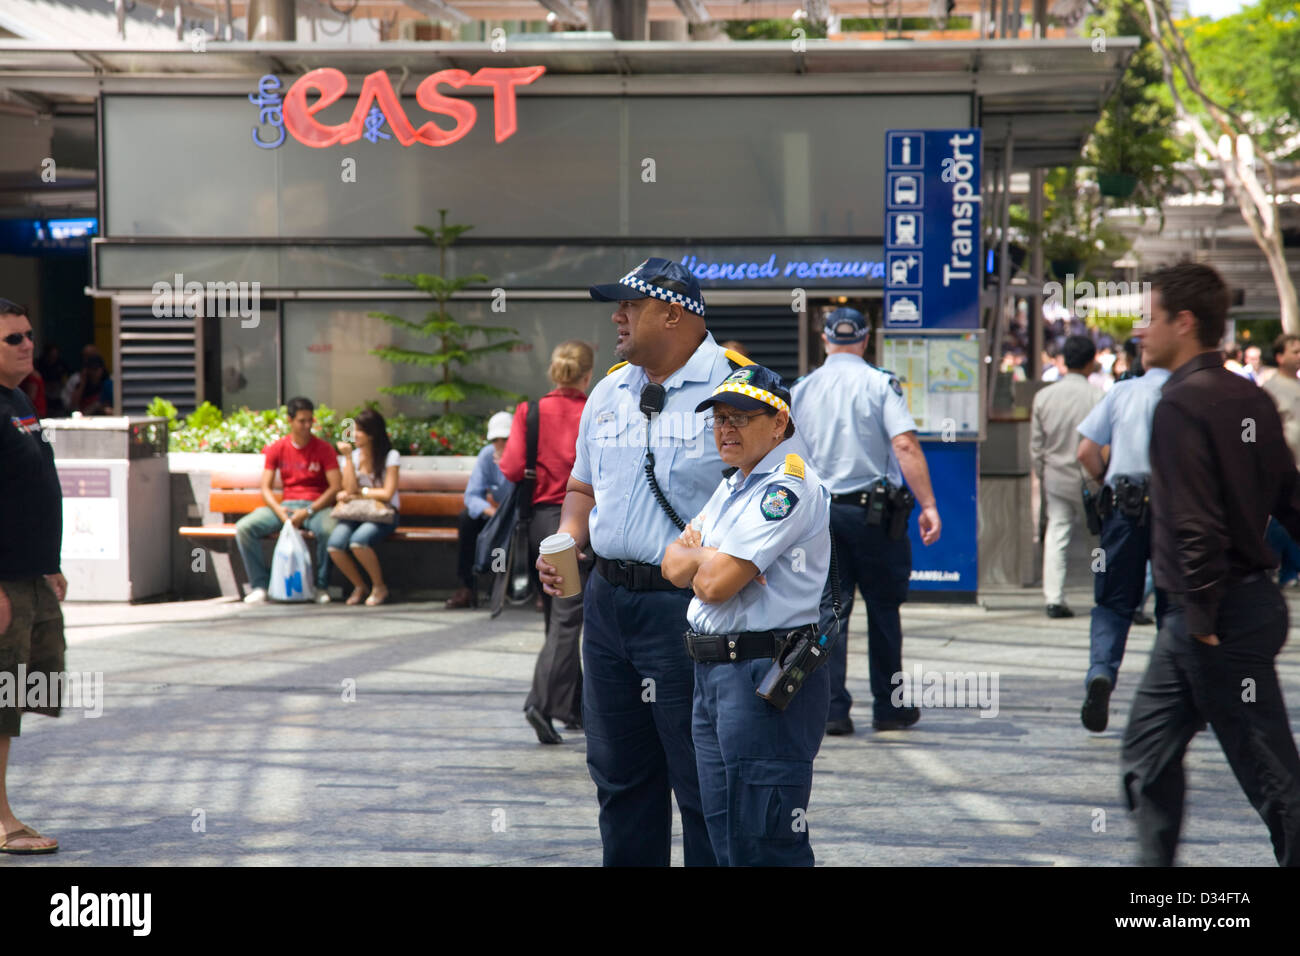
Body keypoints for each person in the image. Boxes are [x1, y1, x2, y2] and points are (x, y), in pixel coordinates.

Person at [536, 257, 751, 867]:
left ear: (673, 313)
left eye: (629, 305)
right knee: (619, 775)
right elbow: (582, 485)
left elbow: (776, 505)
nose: (617, 316)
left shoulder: (741, 390)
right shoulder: (609, 389)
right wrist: (570, 536)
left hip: (691, 612)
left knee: (703, 779)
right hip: (608, 606)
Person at [1120, 261, 1300, 866]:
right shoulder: (1249, 397)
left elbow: (1192, 521)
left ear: (1185, 322)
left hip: (1213, 615)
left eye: (1151, 318)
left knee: (1269, 772)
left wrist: (1200, 616)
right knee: (1148, 756)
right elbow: (1290, 496)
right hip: (1220, 611)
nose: (1142, 331)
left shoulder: (1181, 405)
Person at [662, 364, 832, 866]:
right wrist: (709, 555)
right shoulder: (736, 483)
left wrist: (706, 557)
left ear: (778, 423)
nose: (724, 429)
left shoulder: (787, 486)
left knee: (765, 842)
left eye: (740, 417)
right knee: (723, 836)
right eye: (717, 418)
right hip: (714, 675)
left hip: (762, 677)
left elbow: (712, 585)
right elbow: (672, 564)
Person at [790, 307, 941, 735]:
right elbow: (905, 445)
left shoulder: (802, 388)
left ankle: (832, 709)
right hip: (874, 517)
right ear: (865, 339)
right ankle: (889, 708)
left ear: (824, 340)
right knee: (884, 609)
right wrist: (928, 504)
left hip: (820, 516)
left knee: (828, 611)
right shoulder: (880, 384)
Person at [499, 341, 593, 744]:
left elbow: (511, 466)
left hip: (539, 523)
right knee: (568, 616)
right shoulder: (594, 409)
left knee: (554, 613)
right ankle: (541, 702)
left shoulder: (529, 411)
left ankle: (573, 705)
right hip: (580, 519)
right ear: (587, 374)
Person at [1074, 345, 1171, 732]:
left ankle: (1101, 673)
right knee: (1175, 604)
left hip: (1122, 509)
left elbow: (1085, 451)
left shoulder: (1122, 391)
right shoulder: (1191, 392)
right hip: (1175, 512)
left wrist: (1105, 481)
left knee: (1113, 602)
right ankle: (1173, 695)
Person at [0, 298, 65, 854]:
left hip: (30, 575)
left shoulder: (19, 399)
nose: (26, 345)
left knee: (20, 694)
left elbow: (35, 484)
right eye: (11, 339)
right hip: (3, 582)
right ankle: (1, 822)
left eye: (27, 335)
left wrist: (50, 562)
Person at [235, 397, 340, 604]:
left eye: (310, 420)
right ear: (290, 421)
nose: (307, 425)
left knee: (330, 530)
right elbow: (265, 487)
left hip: (316, 507)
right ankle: (260, 586)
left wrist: (309, 511)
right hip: (285, 506)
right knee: (244, 528)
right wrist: (280, 511)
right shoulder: (277, 448)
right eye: (302, 421)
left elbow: (335, 487)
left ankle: (321, 586)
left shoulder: (324, 449)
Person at [1031, 334, 1103, 618]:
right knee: (1097, 541)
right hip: (1091, 480)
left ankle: (1054, 598)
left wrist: (1041, 473)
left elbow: (1036, 446)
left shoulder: (1044, 397)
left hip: (1056, 478)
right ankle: (1103, 593)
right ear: (1090, 362)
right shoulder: (1098, 397)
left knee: (1057, 534)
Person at [329, 409, 400, 607]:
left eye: (359, 431)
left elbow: (387, 494)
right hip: (355, 514)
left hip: (383, 514)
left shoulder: (390, 456)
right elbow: (349, 488)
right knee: (335, 545)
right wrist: (350, 459)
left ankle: (379, 586)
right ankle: (360, 586)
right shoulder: (351, 456)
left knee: (359, 541)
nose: (354, 435)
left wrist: (360, 492)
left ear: (372, 433)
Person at [446, 411, 514, 610]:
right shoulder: (487, 455)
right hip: (496, 514)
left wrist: (509, 466)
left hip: (520, 515)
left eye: (506, 439)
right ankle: (467, 586)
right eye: (496, 440)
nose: (500, 444)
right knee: (466, 519)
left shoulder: (524, 455)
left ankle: (503, 584)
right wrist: (490, 512)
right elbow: (472, 495)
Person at [1262, 333, 1300, 586]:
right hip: (1280, 469)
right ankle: (1269, 564)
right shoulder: (1268, 389)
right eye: (1294, 351)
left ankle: (1289, 571)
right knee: (1279, 520)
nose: (1299, 356)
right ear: (1280, 356)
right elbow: (1250, 427)